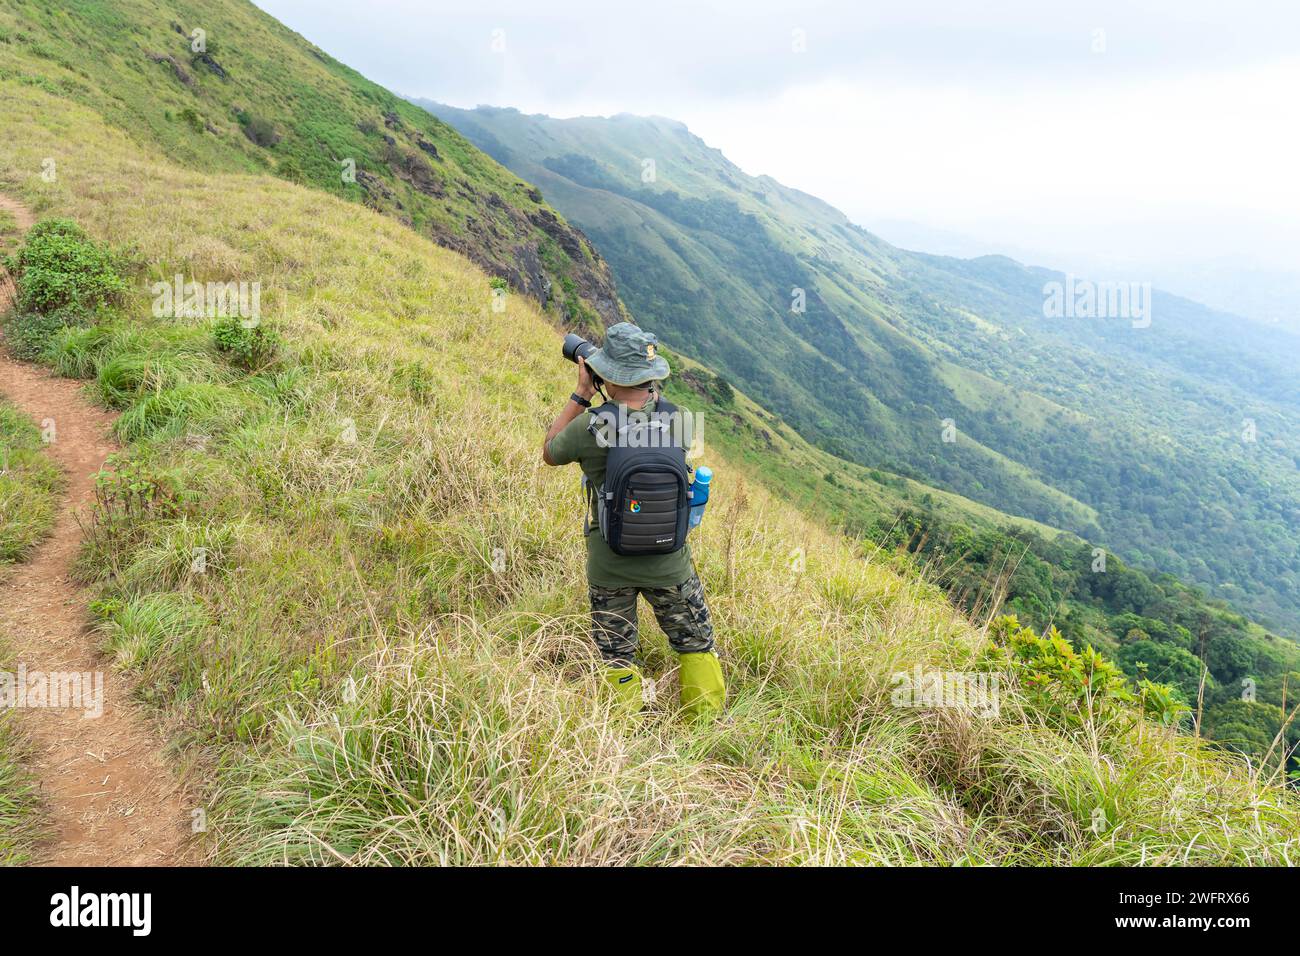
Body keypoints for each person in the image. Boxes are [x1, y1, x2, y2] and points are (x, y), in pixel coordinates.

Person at [542, 322, 725, 719]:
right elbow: (654, 423)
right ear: (651, 377)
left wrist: (582, 394)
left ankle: (623, 730)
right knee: (694, 640)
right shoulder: (681, 420)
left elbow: (550, 451)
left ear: (605, 374)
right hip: (670, 562)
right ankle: (706, 722)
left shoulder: (591, 428)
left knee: (617, 652)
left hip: (610, 564)